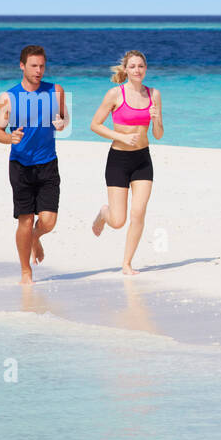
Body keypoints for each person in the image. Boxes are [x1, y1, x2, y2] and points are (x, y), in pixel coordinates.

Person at [0, 45, 68, 284]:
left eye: (42, 66)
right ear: (22, 65)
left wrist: (62, 123)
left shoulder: (55, 91)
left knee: (48, 221)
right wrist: (9, 138)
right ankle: (26, 271)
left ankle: (35, 238)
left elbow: (64, 118)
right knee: (24, 219)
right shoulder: (7, 97)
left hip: (47, 163)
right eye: (33, 66)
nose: (39, 71)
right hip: (21, 165)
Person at [89, 50, 162, 275]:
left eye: (141, 66)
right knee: (118, 220)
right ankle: (104, 213)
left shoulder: (154, 94)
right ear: (126, 70)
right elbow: (95, 125)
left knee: (138, 213)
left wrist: (156, 118)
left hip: (142, 159)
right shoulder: (115, 94)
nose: (137, 70)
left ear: (145, 68)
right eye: (133, 66)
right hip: (118, 160)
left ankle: (127, 263)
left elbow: (158, 135)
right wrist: (120, 136)